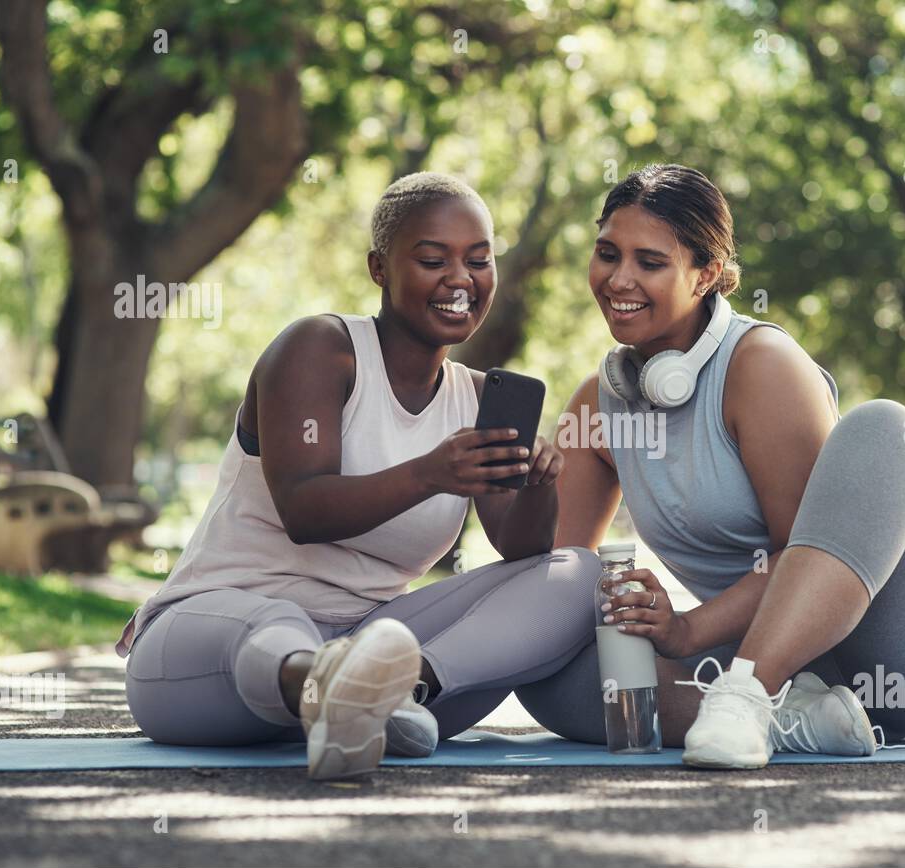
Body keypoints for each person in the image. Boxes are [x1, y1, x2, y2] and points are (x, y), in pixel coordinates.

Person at [516, 164, 905, 769]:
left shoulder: (761, 365)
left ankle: (751, 696)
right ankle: (798, 720)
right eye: (608, 254)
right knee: (546, 666)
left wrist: (691, 631)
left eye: (650, 262)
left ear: (708, 276)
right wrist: (519, 487)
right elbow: (562, 577)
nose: (619, 279)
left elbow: (803, 557)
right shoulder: (599, 403)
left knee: (884, 426)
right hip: (761, 665)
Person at [117, 172, 601, 780]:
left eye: (479, 260)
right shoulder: (321, 349)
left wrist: (538, 485)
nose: (461, 279)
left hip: (374, 632)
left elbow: (522, 550)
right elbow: (305, 512)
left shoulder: (478, 398)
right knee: (277, 625)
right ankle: (330, 687)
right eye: (432, 259)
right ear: (379, 268)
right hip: (216, 645)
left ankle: (400, 687)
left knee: (578, 572)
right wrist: (430, 474)